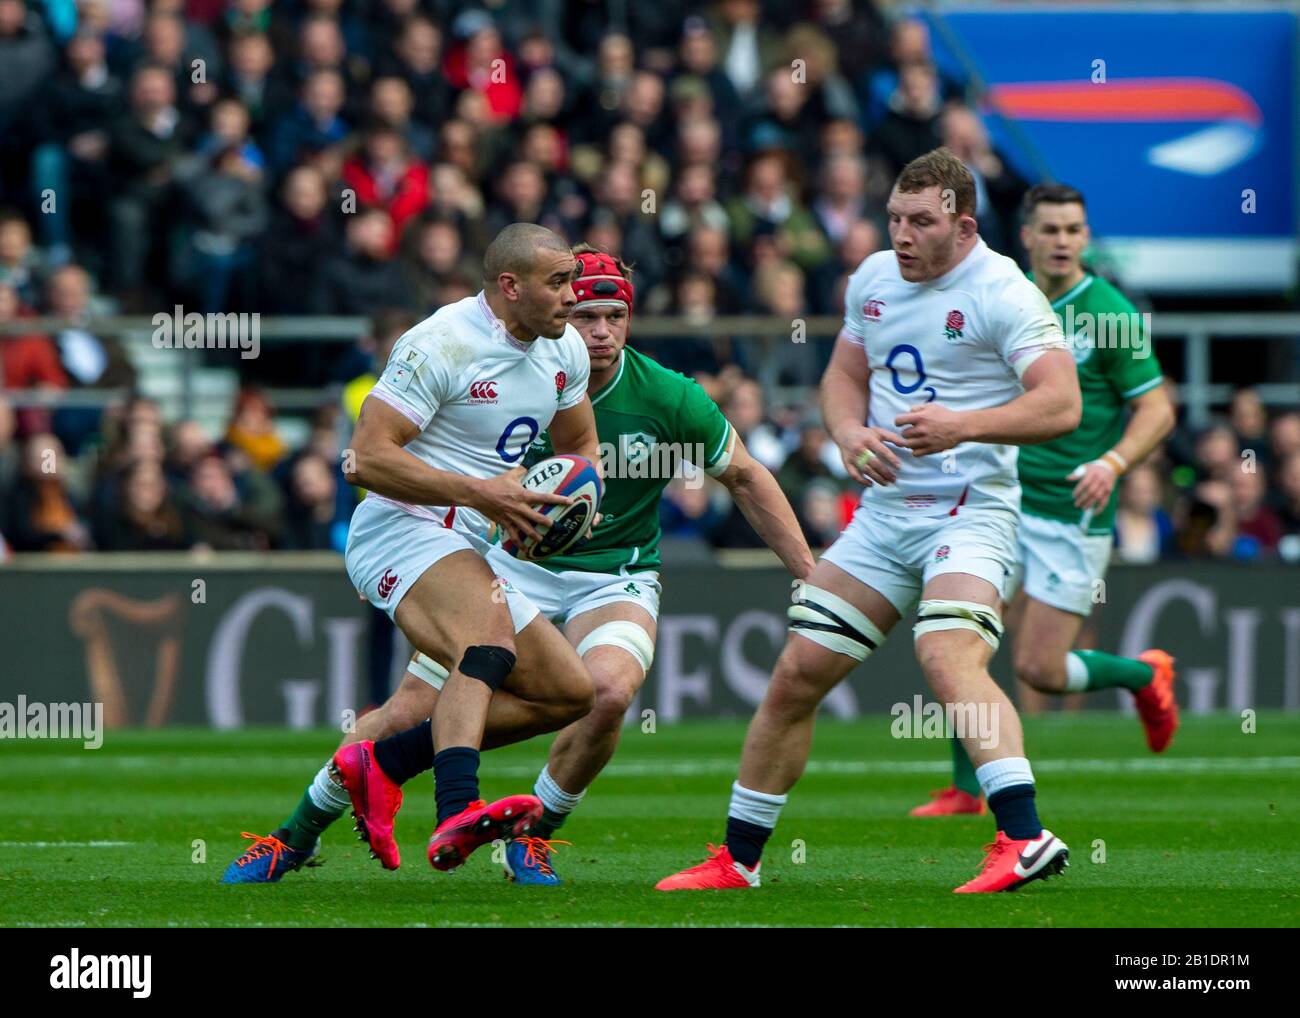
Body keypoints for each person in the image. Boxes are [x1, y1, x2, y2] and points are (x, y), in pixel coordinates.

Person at [655, 148, 1081, 894]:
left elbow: (1061, 404)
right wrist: (850, 436)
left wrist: (966, 426)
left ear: (964, 224)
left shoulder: (1004, 291)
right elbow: (844, 378)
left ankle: (1023, 835)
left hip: (970, 510)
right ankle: (739, 860)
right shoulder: (875, 278)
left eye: (921, 221)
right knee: (796, 675)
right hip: (886, 515)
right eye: (893, 218)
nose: (903, 235)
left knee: (947, 655)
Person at [339, 245, 815, 885]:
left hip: (613, 572)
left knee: (607, 692)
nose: (599, 330)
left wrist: (810, 574)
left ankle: (530, 836)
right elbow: (383, 455)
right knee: (407, 709)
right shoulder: (512, 373)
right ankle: (299, 828)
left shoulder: (670, 398)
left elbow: (747, 478)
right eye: (584, 312)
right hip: (500, 557)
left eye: (613, 316)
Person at [220, 223, 600, 882]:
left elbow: (580, 446)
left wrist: (572, 505)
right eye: (559, 282)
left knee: (569, 692)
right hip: (401, 526)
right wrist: (484, 494)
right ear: (509, 286)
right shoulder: (440, 344)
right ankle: (458, 807)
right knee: (488, 644)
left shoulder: (564, 351)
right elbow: (364, 459)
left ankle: (307, 827)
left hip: (475, 541)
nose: (574, 297)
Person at [910, 184, 1178, 818]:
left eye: (1074, 230)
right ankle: (967, 788)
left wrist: (1113, 464)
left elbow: (1158, 409)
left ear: (1085, 238)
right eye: (1050, 229)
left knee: (1041, 669)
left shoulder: (1109, 312)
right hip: (1000, 498)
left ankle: (1146, 676)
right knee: (961, 632)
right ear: (1025, 235)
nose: (1062, 241)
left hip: (1073, 509)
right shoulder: (1004, 295)